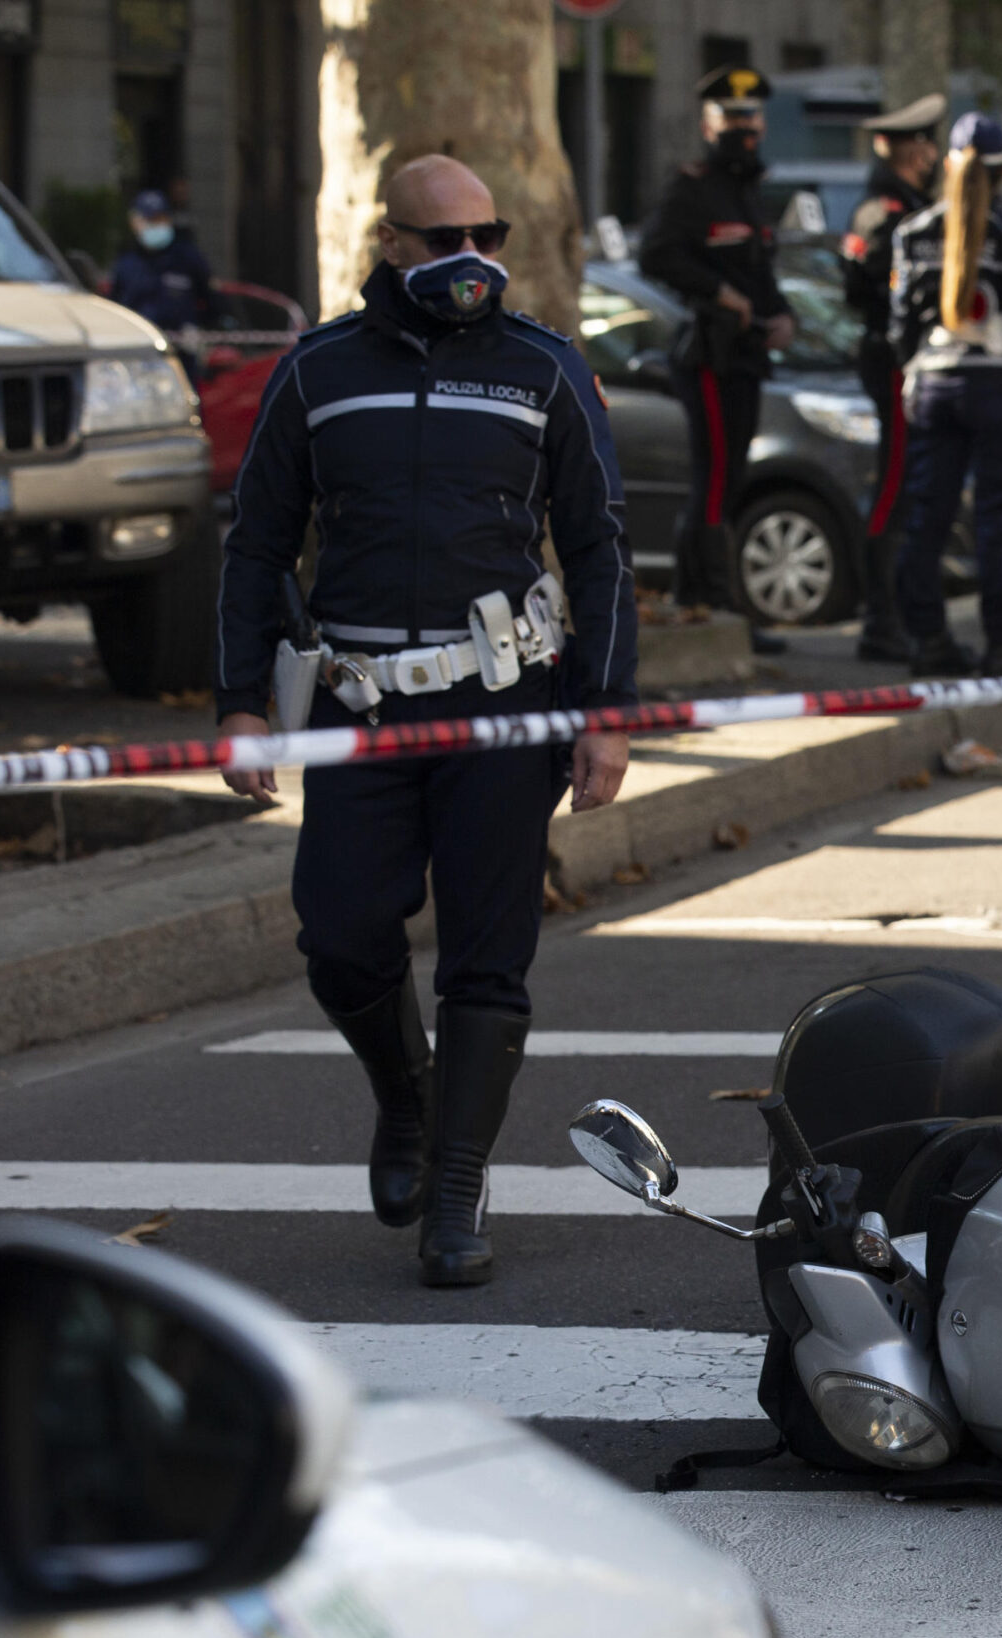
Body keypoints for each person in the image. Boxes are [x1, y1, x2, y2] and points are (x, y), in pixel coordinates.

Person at [212, 155, 638, 1288]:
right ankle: (406, 1096)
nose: (471, 261)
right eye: (446, 241)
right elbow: (256, 544)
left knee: (487, 956)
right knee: (340, 932)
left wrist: (605, 713)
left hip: (504, 705)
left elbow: (598, 547)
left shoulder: (545, 367)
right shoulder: (317, 371)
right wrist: (241, 700)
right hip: (362, 707)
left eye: (488, 238)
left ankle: (458, 1187)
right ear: (390, 242)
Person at [887, 112, 1002, 678]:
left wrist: (915, 369)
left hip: (934, 387)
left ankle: (928, 639)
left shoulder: (913, 233)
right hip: (997, 388)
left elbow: (899, 328)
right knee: (996, 520)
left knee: (928, 517)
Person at [639, 66, 799, 613]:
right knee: (713, 479)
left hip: (748, 355)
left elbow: (760, 272)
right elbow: (655, 254)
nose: (744, 128)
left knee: (730, 479)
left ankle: (703, 599)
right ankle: (712, 601)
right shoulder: (692, 186)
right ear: (709, 126)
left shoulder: (748, 191)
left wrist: (782, 316)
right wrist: (719, 293)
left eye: (751, 117)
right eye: (732, 119)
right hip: (709, 353)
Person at [842, 92, 946, 663]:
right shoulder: (890, 212)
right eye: (928, 145)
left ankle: (893, 614)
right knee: (893, 489)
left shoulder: (893, 205)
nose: (933, 157)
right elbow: (870, 287)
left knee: (904, 489)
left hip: (897, 360)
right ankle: (882, 620)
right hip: (894, 362)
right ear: (913, 150)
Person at [107, 189, 215, 347]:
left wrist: (198, 328)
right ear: (134, 222)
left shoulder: (187, 258)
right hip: (137, 348)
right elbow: (116, 307)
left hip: (181, 349)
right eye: (150, 219)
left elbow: (211, 299)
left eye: (160, 218)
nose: (156, 224)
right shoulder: (126, 263)